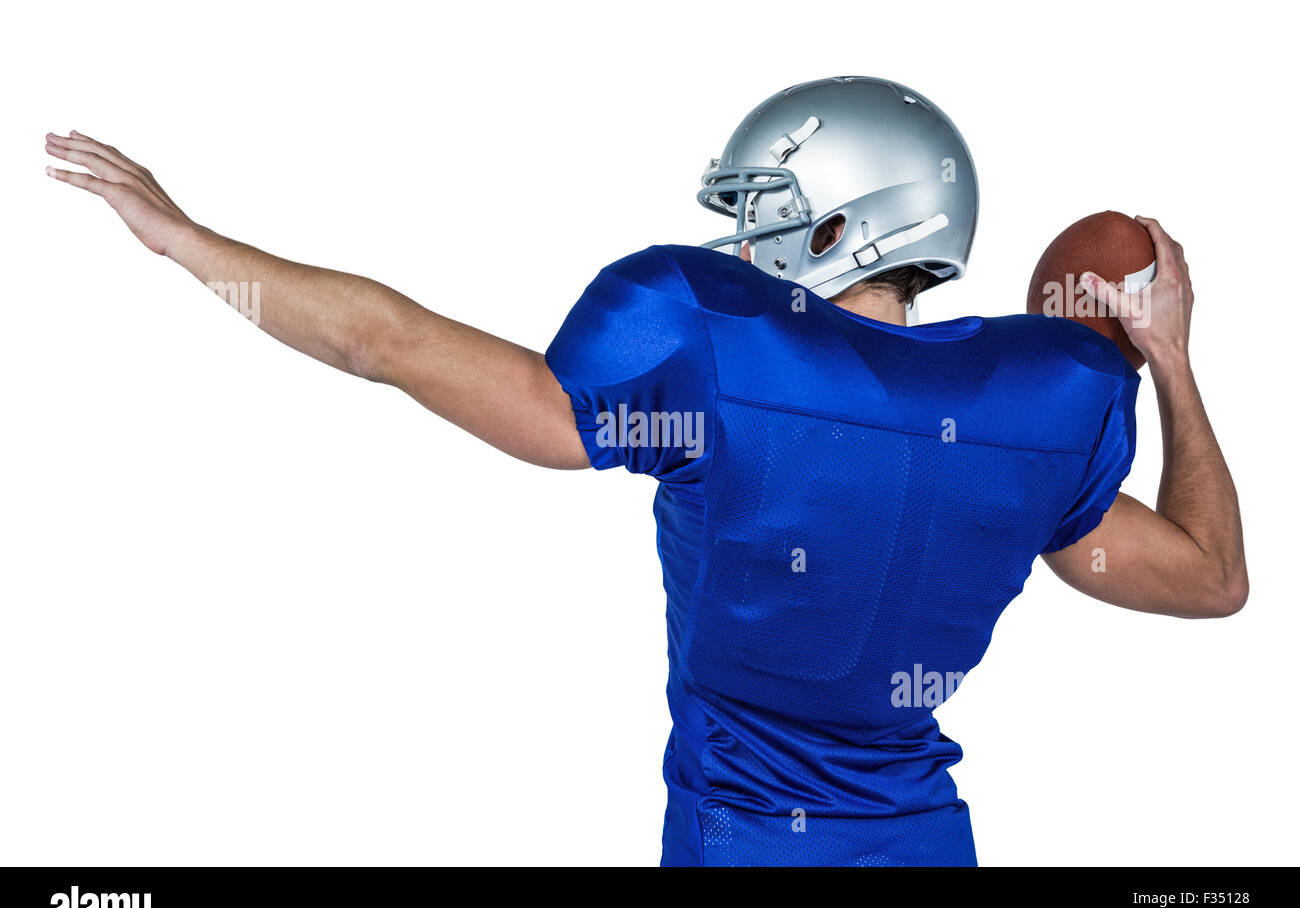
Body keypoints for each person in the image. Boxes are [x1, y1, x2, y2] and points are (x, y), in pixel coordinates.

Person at [44, 76, 1246, 866]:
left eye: (772, 206)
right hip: (927, 841)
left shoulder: (707, 338)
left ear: (846, 219)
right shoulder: (1045, 407)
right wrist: (1172, 365)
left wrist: (190, 242)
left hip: (737, 839)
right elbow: (1209, 578)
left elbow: (385, 342)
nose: (743, 233)